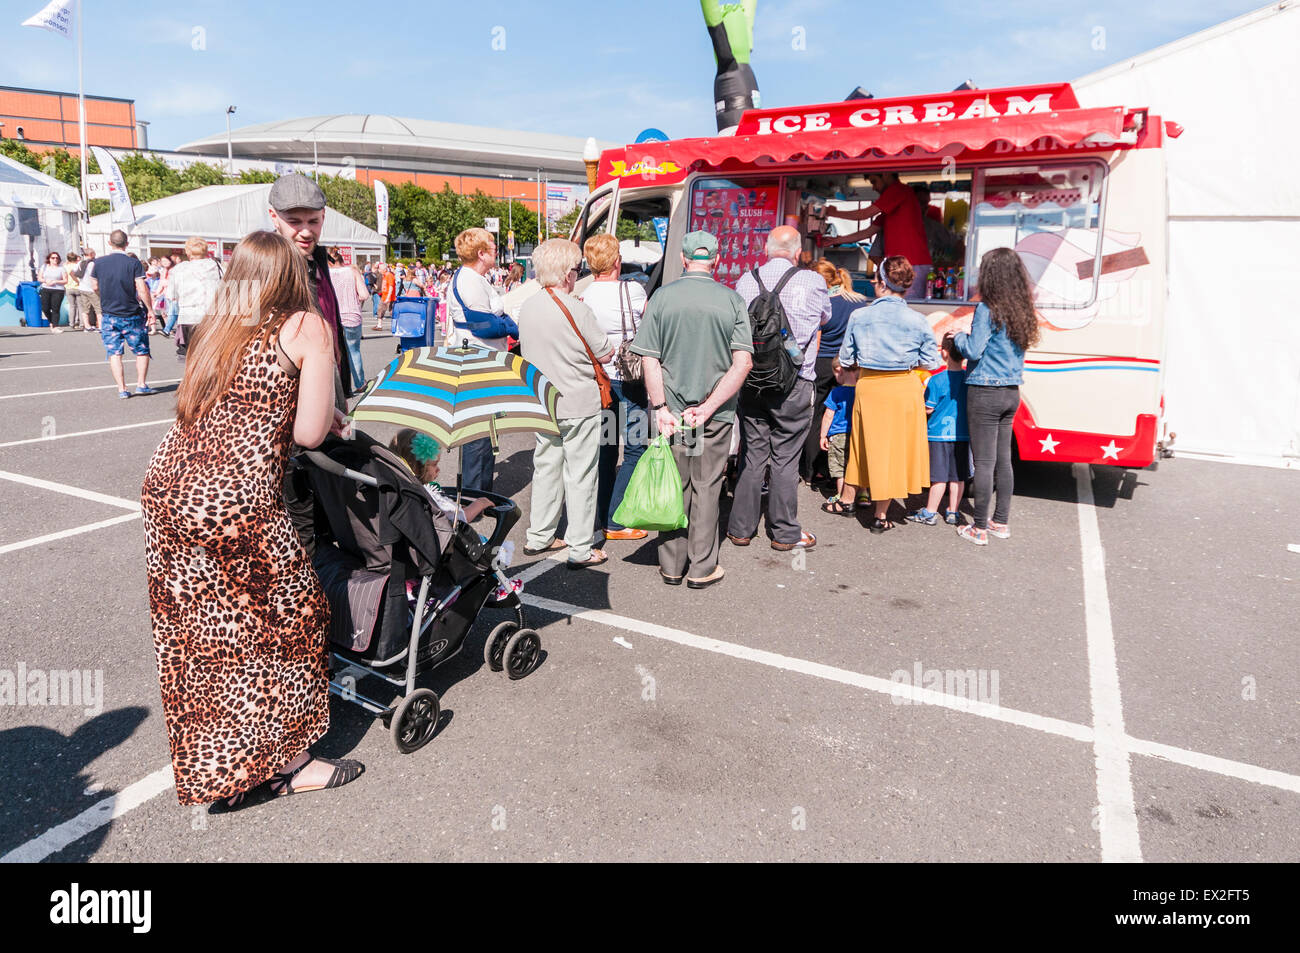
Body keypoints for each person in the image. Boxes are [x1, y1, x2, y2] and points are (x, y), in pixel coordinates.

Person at [141, 230, 359, 812]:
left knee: (207, 633)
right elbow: (308, 434)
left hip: (168, 488)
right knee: (293, 616)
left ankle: (227, 767)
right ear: (294, 273)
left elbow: (234, 401)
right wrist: (326, 410)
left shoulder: (216, 326)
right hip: (233, 498)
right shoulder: (304, 325)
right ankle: (291, 765)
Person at [631, 230, 753, 589]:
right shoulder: (732, 301)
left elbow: (650, 360)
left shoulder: (662, 299)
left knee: (675, 484)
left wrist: (660, 406)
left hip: (671, 411)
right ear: (715, 261)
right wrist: (710, 406)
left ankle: (671, 565)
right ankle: (702, 567)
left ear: (683, 259)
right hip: (714, 415)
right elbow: (742, 363)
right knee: (708, 487)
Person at [727, 225, 829, 552]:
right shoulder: (813, 281)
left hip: (752, 381)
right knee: (785, 457)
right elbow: (823, 319)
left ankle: (740, 529)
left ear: (766, 249)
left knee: (753, 453)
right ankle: (784, 533)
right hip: (796, 382)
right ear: (797, 252)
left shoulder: (745, 280)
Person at [518, 239, 613, 569]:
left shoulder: (528, 307)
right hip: (577, 401)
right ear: (565, 272)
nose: (577, 274)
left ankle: (539, 535)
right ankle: (580, 547)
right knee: (582, 474)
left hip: (542, 400)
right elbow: (605, 353)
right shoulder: (578, 308)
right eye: (575, 269)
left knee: (545, 466)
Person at [837, 255, 940, 532]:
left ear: (881, 283)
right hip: (904, 387)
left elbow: (846, 357)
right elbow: (931, 361)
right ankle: (881, 516)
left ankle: (851, 498)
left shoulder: (860, 315)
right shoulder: (918, 320)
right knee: (893, 451)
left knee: (864, 446)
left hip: (870, 385)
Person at [948, 247, 1039, 545]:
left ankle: (979, 528)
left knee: (984, 462)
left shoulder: (987, 309)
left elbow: (973, 350)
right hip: (1011, 392)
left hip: (984, 391)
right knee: (1003, 461)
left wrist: (957, 336)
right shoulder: (1022, 310)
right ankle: (1000, 522)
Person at [580, 233, 650, 543]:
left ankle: (603, 513)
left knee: (607, 449)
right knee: (635, 448)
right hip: (630, 379)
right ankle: (616, 519)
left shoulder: (584, 295)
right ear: (616, 262)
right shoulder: (633, 290)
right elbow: (648, 326)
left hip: (600, 382)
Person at [267, 173, 351, 404]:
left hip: (329, 386)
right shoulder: (255, 262)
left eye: (313, 221)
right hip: (283, 398)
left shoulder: (319, 260)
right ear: (274, 217)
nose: (305, 231)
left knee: (349, 436)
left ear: (323, 216)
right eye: (294, 222)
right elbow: (232, 335)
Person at [447, 227, 519, 493]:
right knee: (479, 433)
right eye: (492, 245)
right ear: (480, 253)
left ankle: (480, 491)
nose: (496, 248)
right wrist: (511, 327)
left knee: (486, 431)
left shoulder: (477, 279)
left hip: (484, 360)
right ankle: (474, 494)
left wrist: (506, 324)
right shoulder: (469, 281)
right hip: (477, 362)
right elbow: (484, 325)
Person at [805, 259, 867, 483]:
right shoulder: (859, 302)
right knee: (847, 416)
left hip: (821, 364)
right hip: (850, 365)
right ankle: (842, 471)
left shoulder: (821, 302)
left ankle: (814, 470)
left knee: (819, 415)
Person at [826, 172, 931, 299]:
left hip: (912, 264)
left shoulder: (898, 190)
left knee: (909, 307)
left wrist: (834, 213)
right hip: (904, 265)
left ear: (886, 175)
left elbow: (864, 214)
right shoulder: (893, 206)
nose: (873, 188)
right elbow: (867, 232)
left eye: (874, 181)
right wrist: (835, 240)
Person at [84, 230, 156, 398]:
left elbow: (94, 286)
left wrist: (105, 296)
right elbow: (141, 288)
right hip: (131, 313)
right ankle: (141, 384)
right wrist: (150, 309)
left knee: (114, 352)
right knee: (141, 350)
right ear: (127, 243)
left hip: (109, 314)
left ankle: (122, 388)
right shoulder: (133, 263)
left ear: (110, 243)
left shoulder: (98, 263)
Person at [908, 339, 970, 526]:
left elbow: (928, 409)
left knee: (939, 476)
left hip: (938, 434)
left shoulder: (937, 380)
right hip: (963, 434)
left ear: (943, 353)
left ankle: (930, 512)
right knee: (958, 476)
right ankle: (953, 511)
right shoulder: (969, 379)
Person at [388, 429, 494, 526]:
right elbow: (462, 516)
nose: (438, 469)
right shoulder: (429, 497)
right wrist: (481, 503)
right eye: (434, 464)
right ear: (416, 468)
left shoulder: (393, 486)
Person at [166, 236, 222, 358]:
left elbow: (171, 295)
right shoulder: (216, 266)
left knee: (191, 356)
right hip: (212, 317)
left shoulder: (179, 269)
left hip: (188, 317)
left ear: (188, 252)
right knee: (211, 356)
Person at [818, 359, 857, 515]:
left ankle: (841, 496)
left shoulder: (836, 392)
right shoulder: (861, 391)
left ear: (840, 370)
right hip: (855, 434)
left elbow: (828, 415)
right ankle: (861, 495)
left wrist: (822, 435)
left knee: (839, 469)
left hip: (838, 435)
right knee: (853, 466)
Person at [328, 247, 368, 390]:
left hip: (332, 317)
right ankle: (359, 383)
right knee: (354, 351)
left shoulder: (326, 273)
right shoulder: (352, 271)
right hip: (351, 315)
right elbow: (364, 295)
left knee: (333, 352)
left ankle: (337, 387)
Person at [39, 251, 66, 332]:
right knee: (45, 308)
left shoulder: (61, 268)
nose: (55, 259)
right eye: (53, 258)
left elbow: (65, 280)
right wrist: (45, 281)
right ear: (49, 259)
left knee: (55, 309)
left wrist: (56, 281)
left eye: (57, 258)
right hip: (46, 288)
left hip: (58, 290)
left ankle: (55, 326)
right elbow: (39, 278)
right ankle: (51, 321)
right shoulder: (44, 267)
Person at [76, 248, 100, 331]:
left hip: (82, 288)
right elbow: (95, 276)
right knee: (98, 308)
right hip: (92, 289)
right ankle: (100, 326)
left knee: (85, 309)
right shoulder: (93, 264)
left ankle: (87, 326)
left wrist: (78, 282)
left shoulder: (80, 263)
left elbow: (74, 273)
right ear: (92, 254)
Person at [63, 253, 83, 329]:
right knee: (80, 306)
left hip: (68, 287)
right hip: (78, 287)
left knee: (72, 306)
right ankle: (81, 323)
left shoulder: (65, 267)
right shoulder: (77, 266)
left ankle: (71, 323)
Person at [374, 263, 394, 331]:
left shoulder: (389, 275)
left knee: (392, 312)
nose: (379, 270)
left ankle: (395, 325)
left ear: (384, 269)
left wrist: (388, 297)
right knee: (380, 310)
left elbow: (391, 287)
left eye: (380, 269)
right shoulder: (384, 276)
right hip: (384, 296)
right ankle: (379, 325)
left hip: (390, 297)